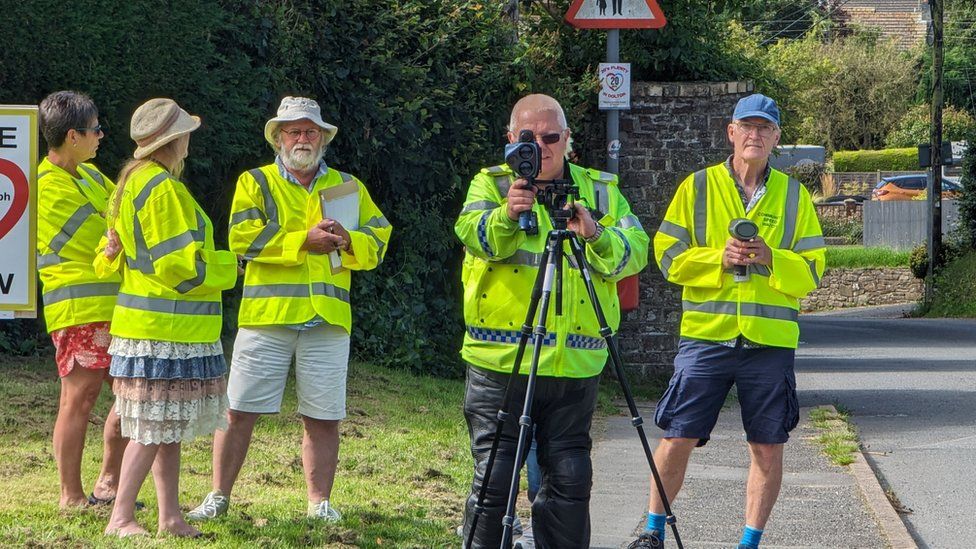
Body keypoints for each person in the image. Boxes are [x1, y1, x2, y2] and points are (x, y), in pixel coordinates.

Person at [629, 94, 825, 549]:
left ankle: (749, 543)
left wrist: (772, 258)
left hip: (769, 342)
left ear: (776, 138)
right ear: (731, 132)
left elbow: (814, 269)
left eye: (765, 128)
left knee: (767, 445)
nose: (755, 135)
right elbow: (667, 256)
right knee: (677, 435)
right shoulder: (697, 186)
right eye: (747, 127)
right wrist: (718, 258)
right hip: (706, 337)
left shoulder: (794, 195)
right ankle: (653, 532)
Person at [456, 93, 649, 548]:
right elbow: (473, 235)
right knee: (494, 483)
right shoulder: (491, 184)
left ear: (567, 139)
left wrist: (595, 233)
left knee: (570, 483)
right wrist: (508, 214)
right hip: (502, 362)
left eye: (550, 137)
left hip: (572, 365)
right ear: (510, 139)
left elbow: (636, 251)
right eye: (528, 137)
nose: (540, 147)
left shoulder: (600, 191)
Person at [186, 96, 391, 523]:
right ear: (278, 138)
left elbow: (379, 238)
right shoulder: (255, 181)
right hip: (267, 318)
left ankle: (319, 504)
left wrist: (350, 240)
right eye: (294, 131)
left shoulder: (348, 186)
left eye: (310, 131)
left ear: (323, 138)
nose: (302, 138)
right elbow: (242, 238)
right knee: (238, 411)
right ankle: (218, 496)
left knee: (324, 416)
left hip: (327, 320)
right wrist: (303, 241)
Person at [102, 98, 238, 537]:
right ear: (174, 141)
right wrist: (229, 267)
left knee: (165, 427)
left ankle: (170, 517)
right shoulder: (161, 188)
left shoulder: (130, 183)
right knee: (153, 429)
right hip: (166, 329)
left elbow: (116, 255)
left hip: (150, 326)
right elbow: (178, 266)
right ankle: (121, 518)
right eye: (186, 135)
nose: (189, 143)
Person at [36, 90, 127, 509]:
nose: (101, 136)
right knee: (80, 398)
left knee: (133, 394)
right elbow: (104, 237)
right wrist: (116, 233)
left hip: (117, 308)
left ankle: (108, 484)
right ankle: (71, 495)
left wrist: (117, 232)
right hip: (78, 310)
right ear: (72, 136)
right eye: (95, 129)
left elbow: (122, 219)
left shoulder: (90, 176)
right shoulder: (46, 187)